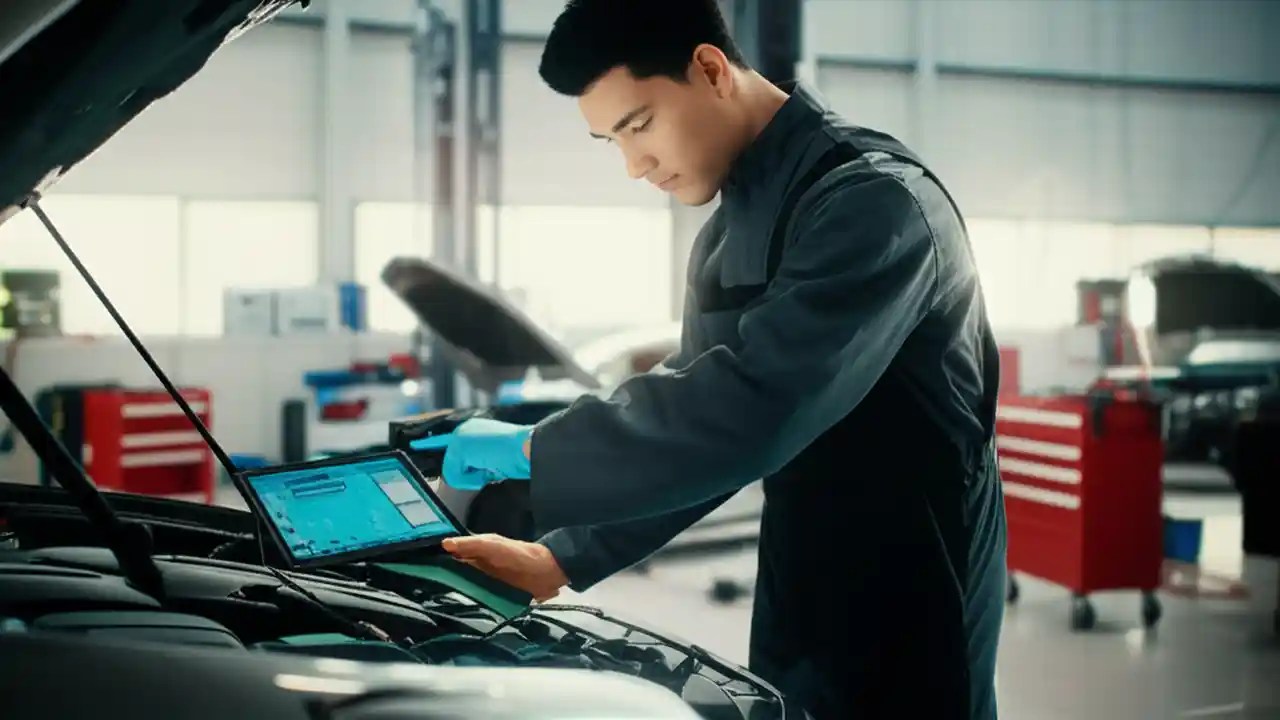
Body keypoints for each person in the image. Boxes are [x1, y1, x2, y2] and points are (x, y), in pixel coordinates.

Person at [423, 1, 1008, 717]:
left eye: (638, 125)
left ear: (709, 68)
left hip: (919, 568)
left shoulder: (877, 205)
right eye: (611, 141)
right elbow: (701, 433)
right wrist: (561, 559)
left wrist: (532, 448)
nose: (634, 165)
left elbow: (751, 406)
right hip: (804, 561)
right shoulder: (727, 235)